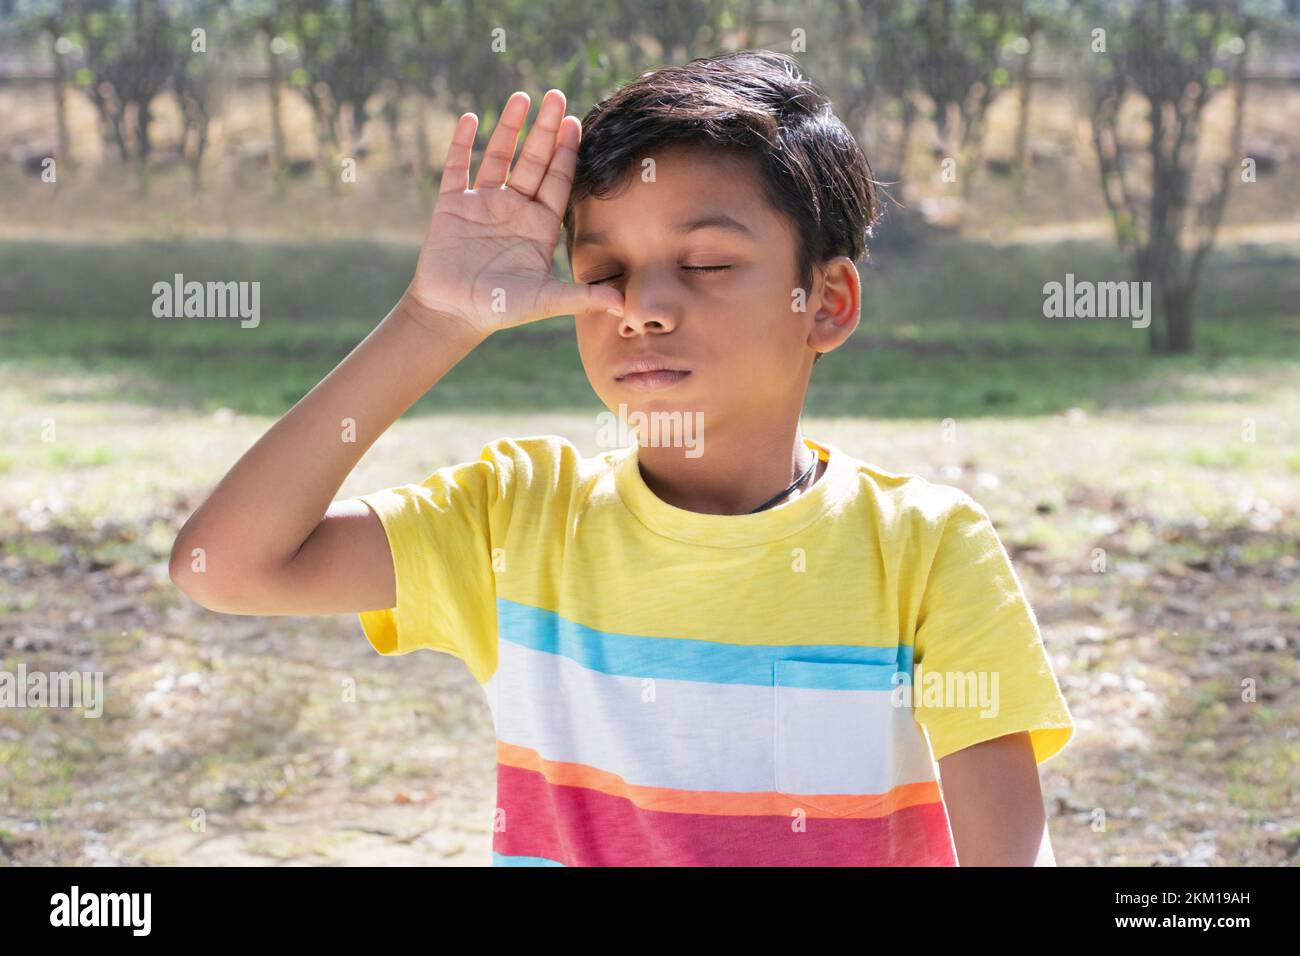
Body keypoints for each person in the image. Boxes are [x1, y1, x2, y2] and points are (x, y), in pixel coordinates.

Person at [170, 50, 1074, 866]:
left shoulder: (925, 547)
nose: (641, 305)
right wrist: (434, 319)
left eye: (707, 264)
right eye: (604, 271)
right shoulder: (516, 517)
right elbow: (226, 566)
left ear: (827, 301)